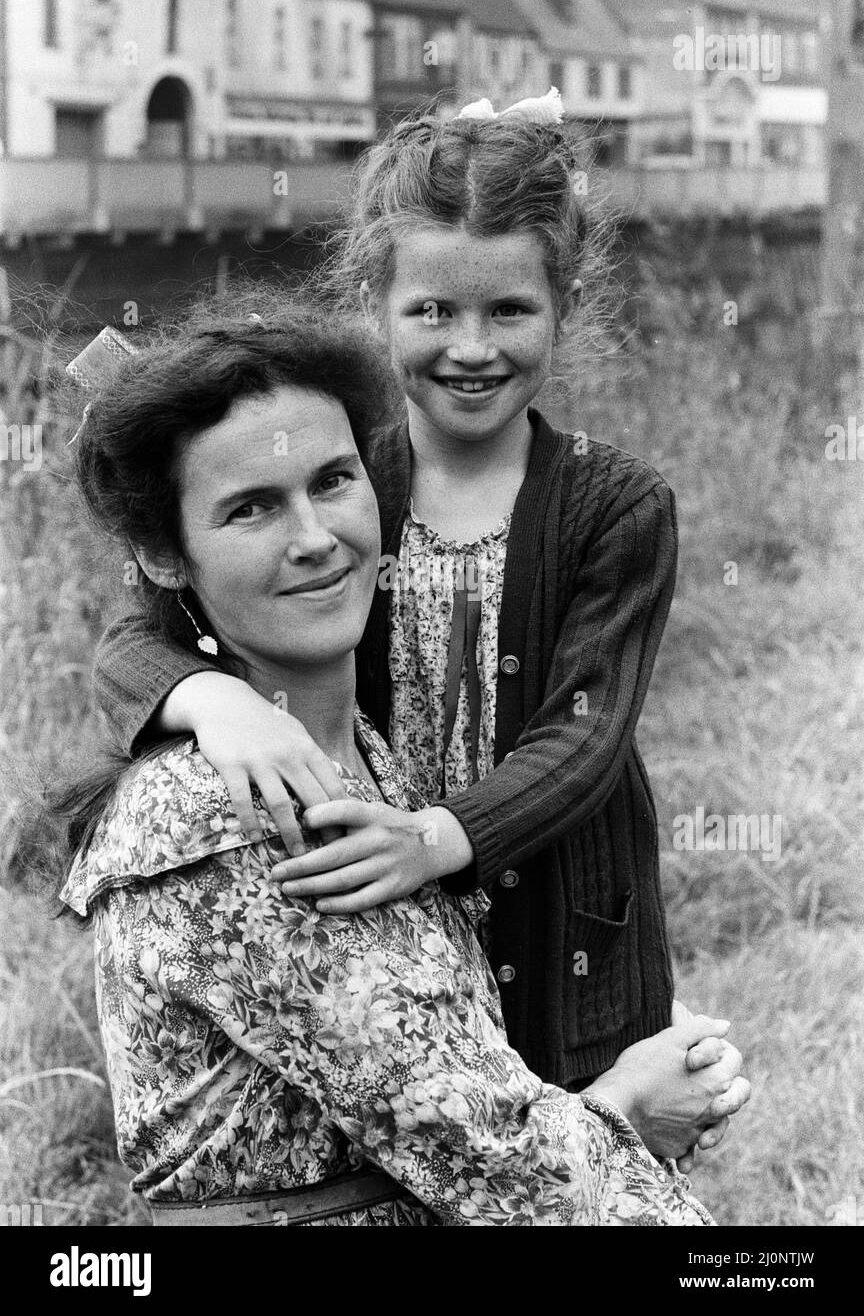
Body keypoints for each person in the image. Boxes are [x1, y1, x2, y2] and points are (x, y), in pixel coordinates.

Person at [91, 92, 728, 1150]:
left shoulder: (617, 506)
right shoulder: (345, 486)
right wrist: (208, 701)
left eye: (509, 312)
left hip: (554, 911)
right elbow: (132, 636)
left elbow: (586, 731)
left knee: (565, 1155)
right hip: (392, 917)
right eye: (432, 312)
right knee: (440, 1142)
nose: (470, 347)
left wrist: (442, 838)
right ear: (375, 304)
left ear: (564, 304)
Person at [56, 308, 748, 1224]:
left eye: (334, 481)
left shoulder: (361, 754)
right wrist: (631, 1108)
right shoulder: (228, 809)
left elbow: (443, 1092)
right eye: (251, 507)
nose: (314, 537)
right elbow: (508, 1168)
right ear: (164, 556)